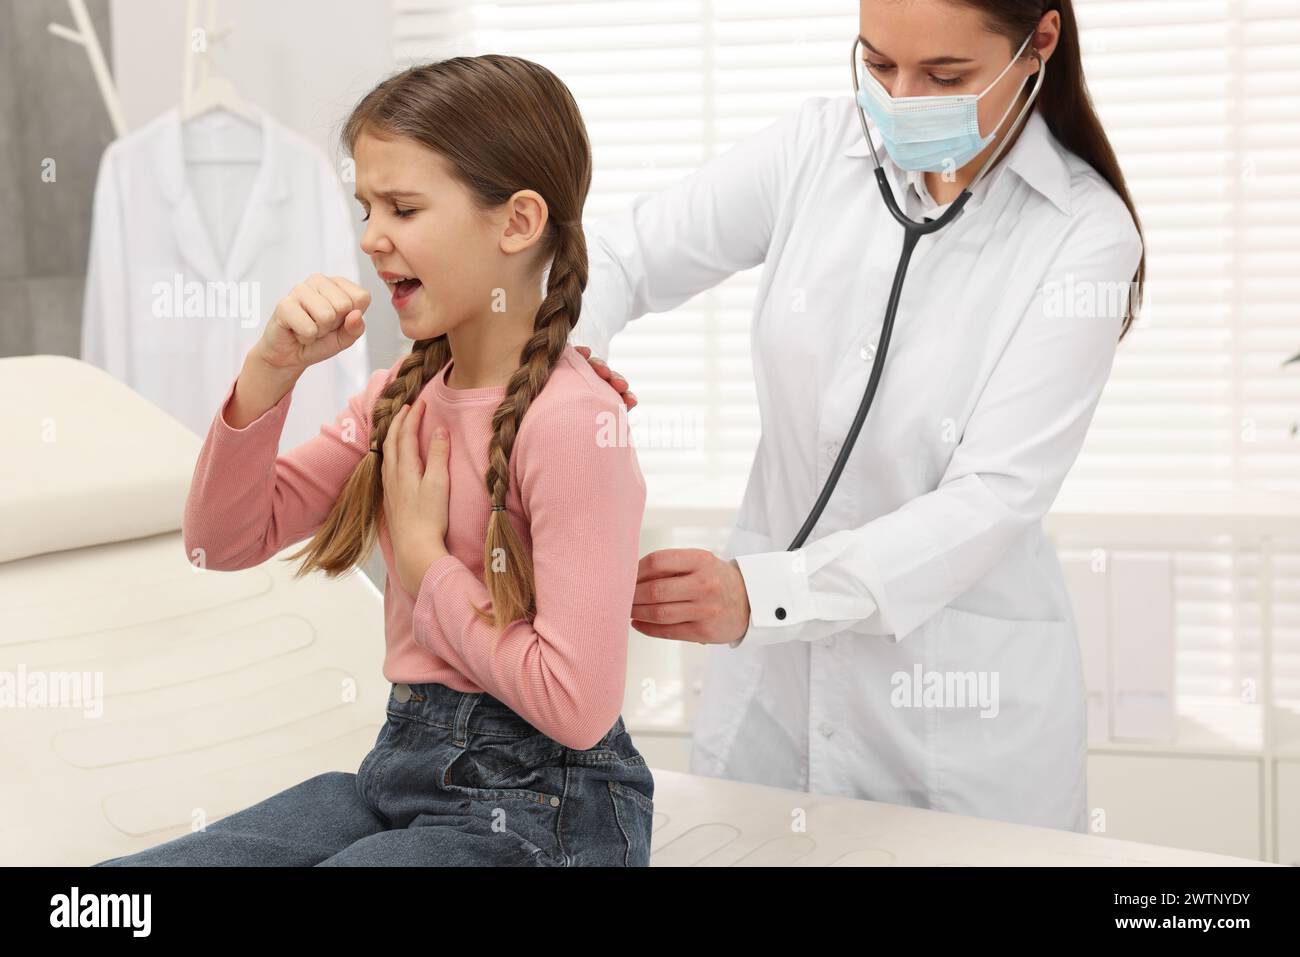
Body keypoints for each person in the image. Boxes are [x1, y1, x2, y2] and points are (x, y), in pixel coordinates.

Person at [574, 0, 1145, 832]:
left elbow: (991, 497)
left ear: (1039, 44)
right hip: (771, 704)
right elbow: (623, 255)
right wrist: (568, 372)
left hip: (958, 733)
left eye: (944, 77)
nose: (902, 100)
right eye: (878, 66)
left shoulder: (1085, 236)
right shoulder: (816, 149)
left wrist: (762, 595)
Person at [94, 54, 653, 867]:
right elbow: (221, 540)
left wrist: (426, 566)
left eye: (402, 207)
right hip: (398, 780)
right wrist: (270, 374)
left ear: (518, 221)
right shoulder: (401, 395)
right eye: (365, 207)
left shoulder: (572, 421)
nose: (369, 238)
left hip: (552, 811)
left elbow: (576, 707)